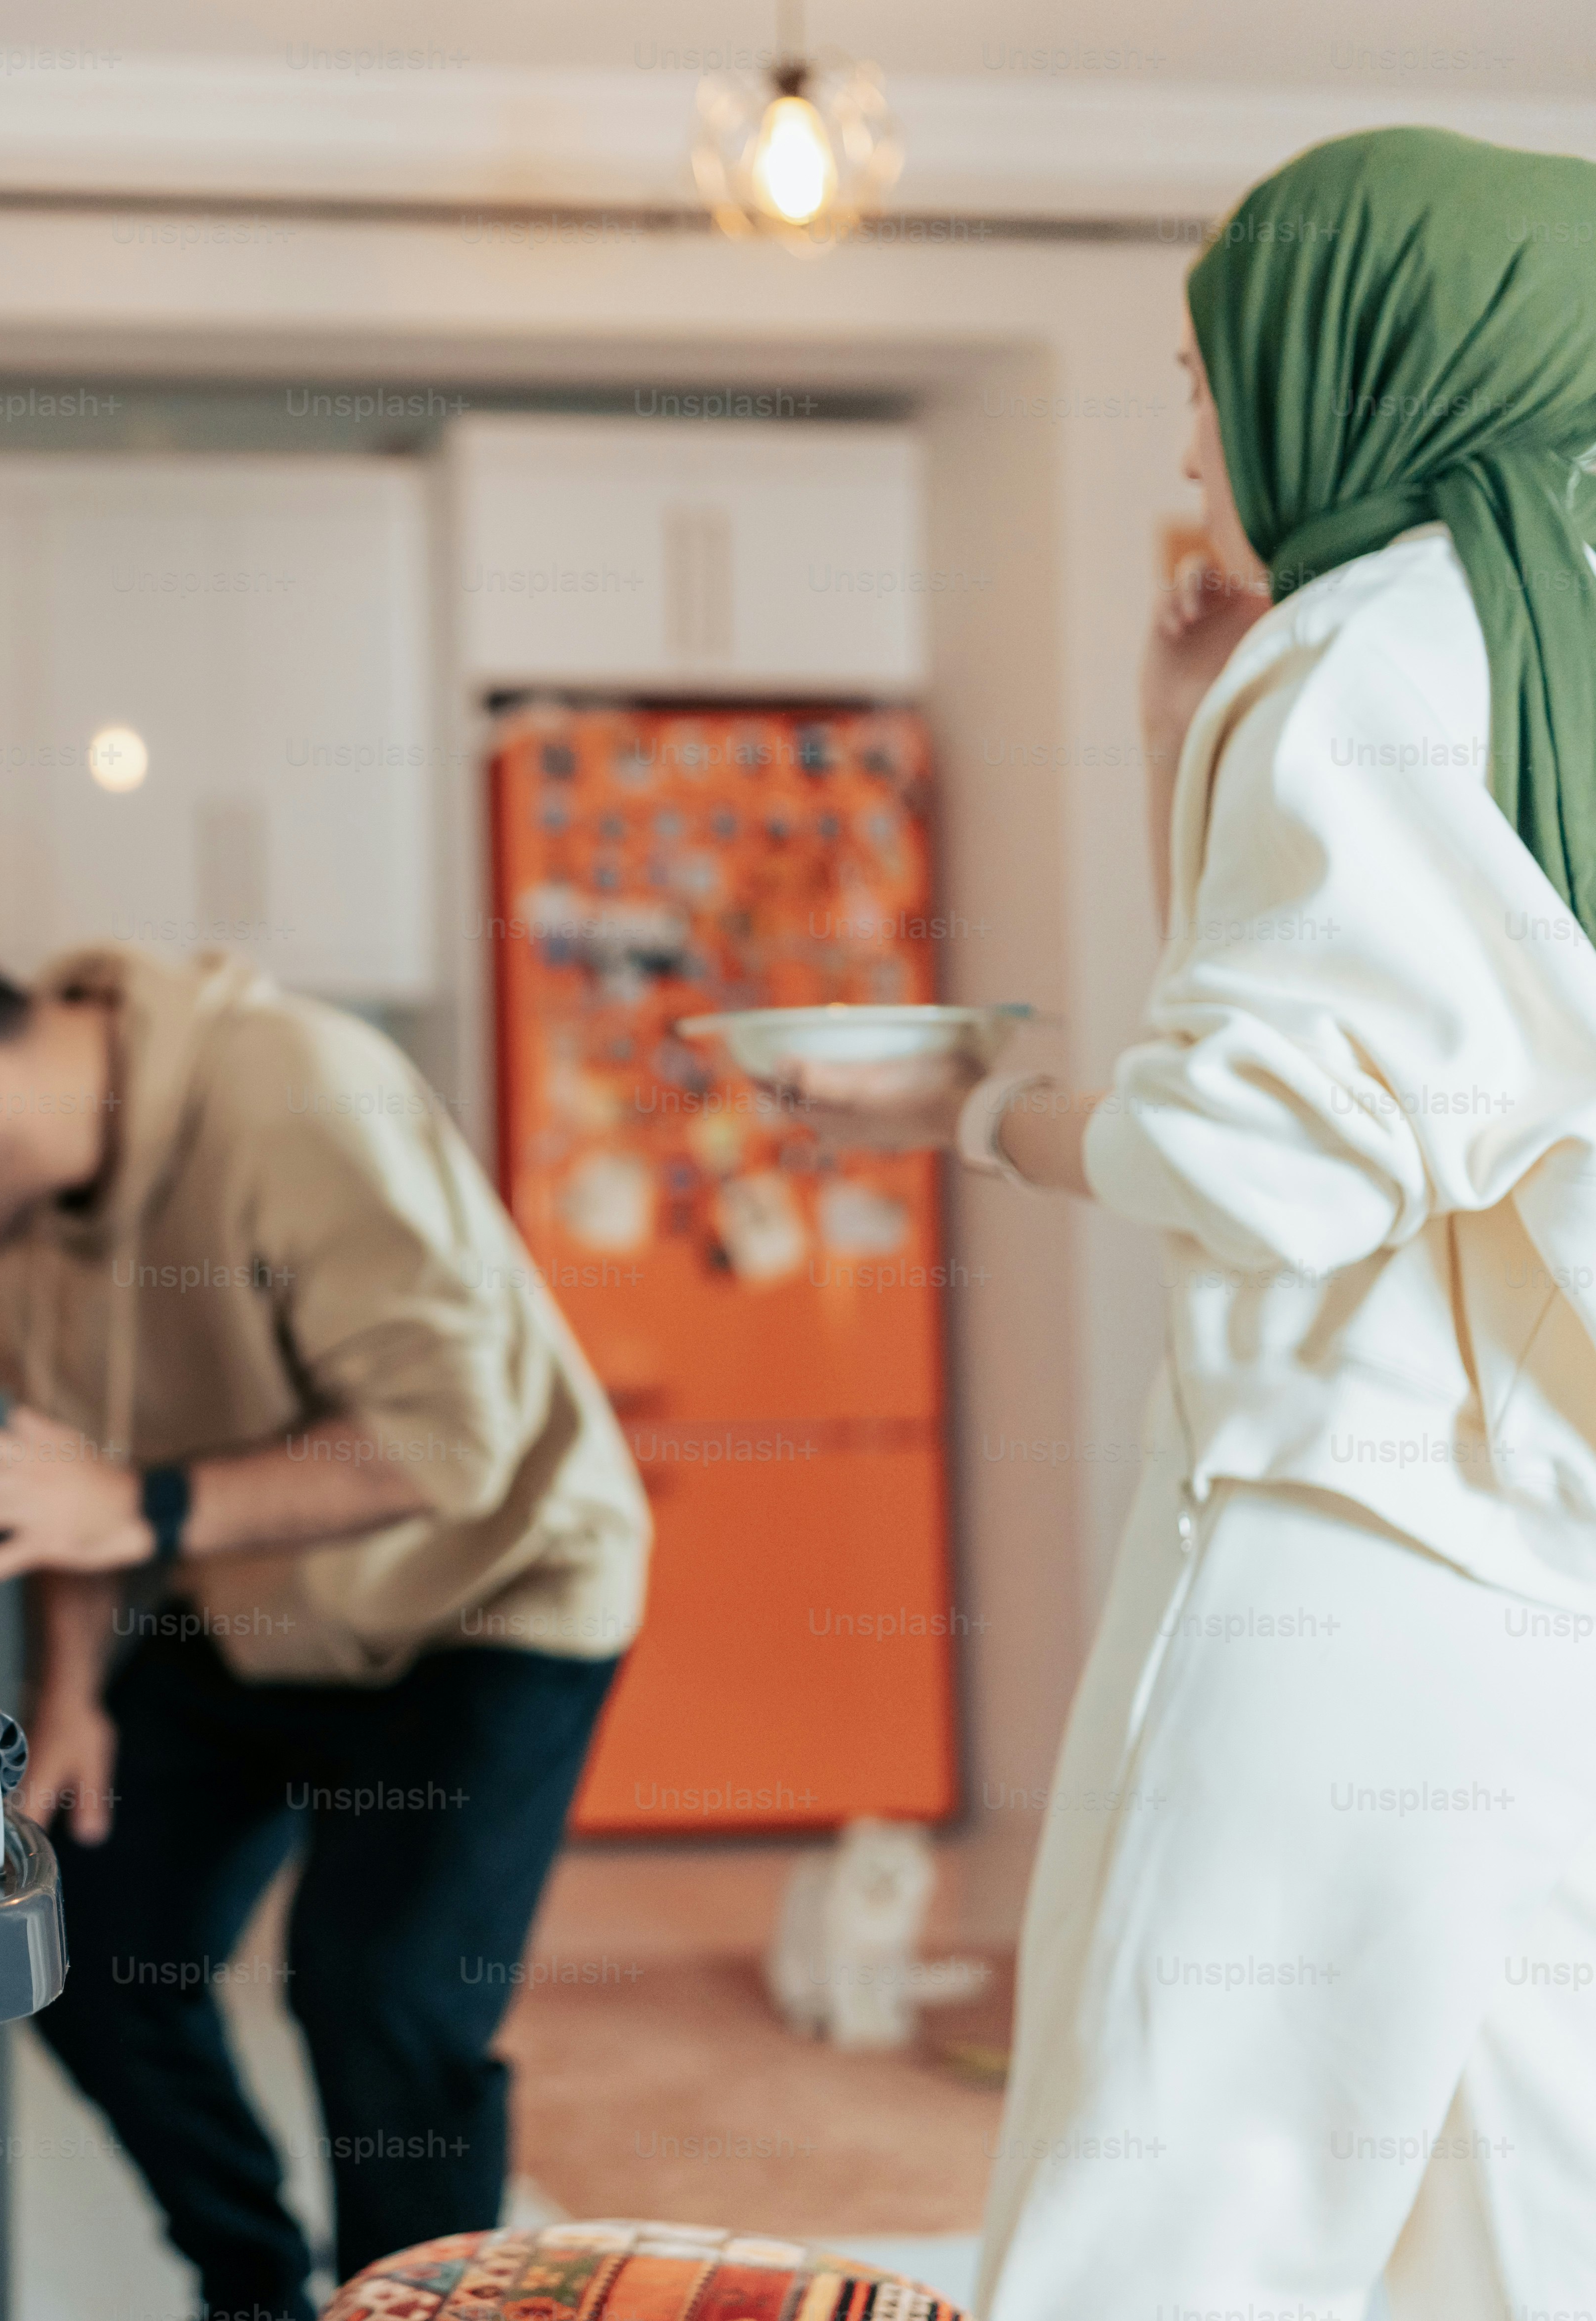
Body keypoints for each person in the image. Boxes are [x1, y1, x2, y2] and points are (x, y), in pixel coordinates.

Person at [784, 128, 1596, 2319]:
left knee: (1172, 2190)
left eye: (1205, 371)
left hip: (1342, 1536)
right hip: (1542, 1569)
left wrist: (973, 1105)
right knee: (1512, 2204)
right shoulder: (1551, 637)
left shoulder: (1373, 650)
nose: (1197, 430)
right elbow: (1402, 1069)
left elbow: (1268, 1156)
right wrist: (1179, 749)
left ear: (1355, 354)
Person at [0, 928, 649, 2319]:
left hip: (497, 1588)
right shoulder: (17, 1209)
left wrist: (145, 1504)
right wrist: (75, 1692)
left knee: (382, 2000)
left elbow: (456, 1442)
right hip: (259, 1593)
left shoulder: (298, 1095)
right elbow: (68, 1479)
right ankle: (255, 2288)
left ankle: (421, 2310)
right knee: (75, 1937)